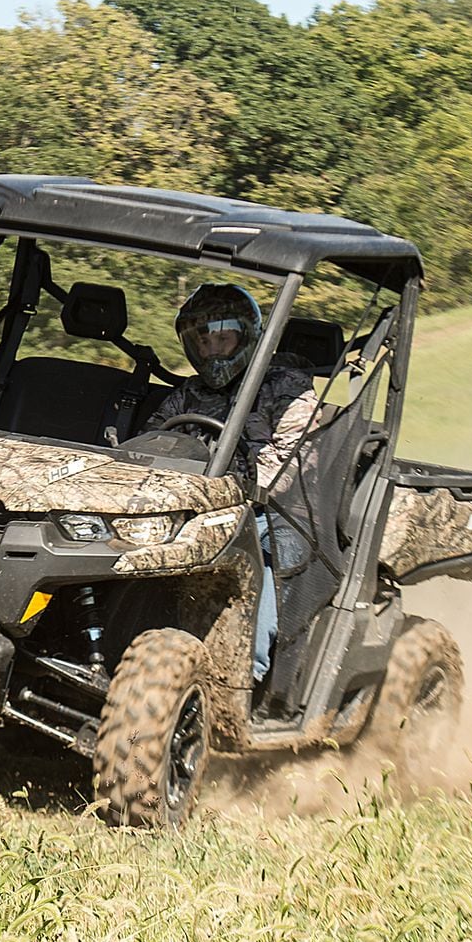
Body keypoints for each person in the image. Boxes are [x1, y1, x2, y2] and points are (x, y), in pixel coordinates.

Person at [143, 283, 316, 682]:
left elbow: (294, 453)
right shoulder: (188, 393)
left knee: (267, 551)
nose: (213, 350)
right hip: (196, 505)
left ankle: (244, 674)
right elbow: (152, 441)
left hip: (271, 509)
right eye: (203, 342)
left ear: (245, 336)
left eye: (223, 338)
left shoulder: (287, 387)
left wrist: (240, 492)